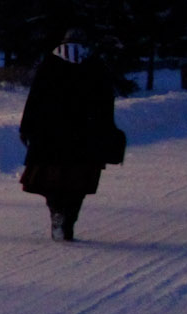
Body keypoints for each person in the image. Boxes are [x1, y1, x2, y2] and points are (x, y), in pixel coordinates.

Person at [19, 28, 125, 241]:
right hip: (86, 136)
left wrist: (27, 127)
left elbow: (35, 99)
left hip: (49, 135)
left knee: (50, 180)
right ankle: (68, 220)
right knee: (79, 184)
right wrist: (107, 130)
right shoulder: (95, 65)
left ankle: (56, 211)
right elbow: (105, 103)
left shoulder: (49, 64)